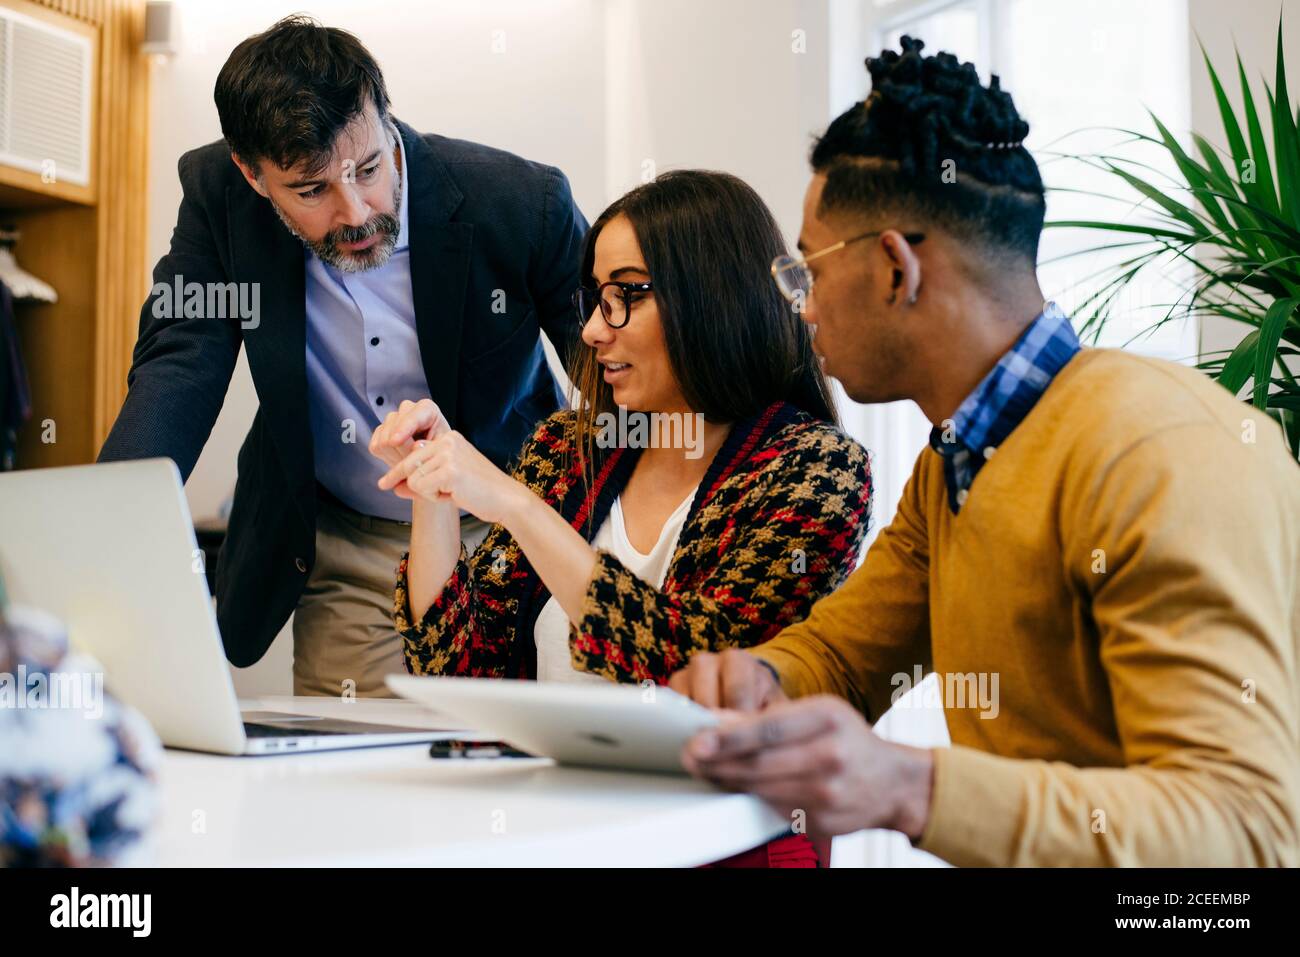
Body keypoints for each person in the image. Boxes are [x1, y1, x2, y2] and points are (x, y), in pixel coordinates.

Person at [670, 37, 1300, 867]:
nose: (804, 310)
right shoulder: (955, 465)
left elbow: (1244, 831)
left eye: (806, 272)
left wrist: (911, 787)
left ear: (895, 270)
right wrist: (762, 681)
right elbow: (842, 656)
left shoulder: (1155, 453)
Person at [370, 170, 872, 866]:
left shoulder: (814, 469)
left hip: (717, 842)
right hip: (550, 832)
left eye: (625, 298)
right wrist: (431, 489)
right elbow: (458, 667)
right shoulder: (568, 450)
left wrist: (519, 507)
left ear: (712, 296)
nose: (591, 331)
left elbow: (693, 669)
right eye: (595, 299)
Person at [97, 16, 587, 696]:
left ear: (385, 121)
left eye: (368, 168)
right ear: (253, 174)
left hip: (509, 522)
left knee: (516, 757)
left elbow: (619, 363)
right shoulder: (220, 196)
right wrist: (109, 522)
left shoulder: (520, 201)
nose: (355, 209)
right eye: (312, 190)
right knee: (353, 775)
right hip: (351, 546)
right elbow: (180, 360)